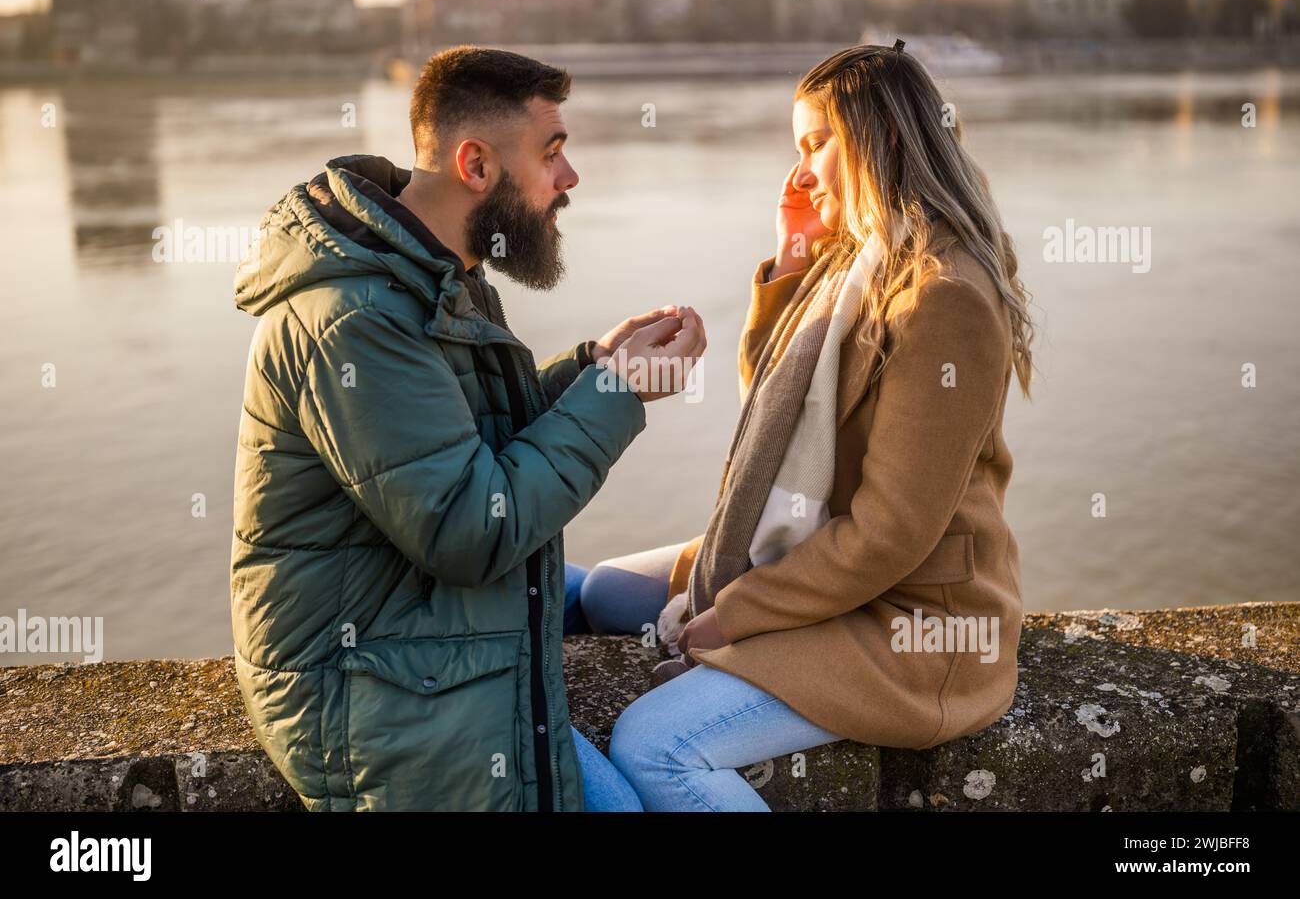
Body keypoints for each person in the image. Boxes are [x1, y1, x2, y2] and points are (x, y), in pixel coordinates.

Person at [230, 46, 706, 811]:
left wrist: (595, 367)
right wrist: (616, 394)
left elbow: (468, 443)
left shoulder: (433, 269)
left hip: (418, 639)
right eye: (552, 153)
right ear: (476, 166)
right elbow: (472, 526)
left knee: (638, 601)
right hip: (384, 697)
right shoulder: (353, 319)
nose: (570, 179)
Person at [565, 42, 1036, 811]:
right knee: (607, 592)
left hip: (913, 623)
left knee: (655, 747)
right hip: (828, 558)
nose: (804, 169)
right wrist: (790, 259)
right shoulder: (855, 261)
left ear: (880, 138)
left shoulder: (943, 299)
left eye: (818, 143)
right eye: (798, 148)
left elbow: (890, 534)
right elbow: (774, 413)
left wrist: (737, 617)